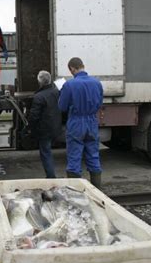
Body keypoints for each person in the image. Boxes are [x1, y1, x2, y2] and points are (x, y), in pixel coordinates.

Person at [58, 57, 104, 188]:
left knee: (74, 157)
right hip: (92, 121)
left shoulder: (69, 85)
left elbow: (62, 107)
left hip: (76, 122)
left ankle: (75, 191)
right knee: (93, 156)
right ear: (82, 66)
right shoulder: (97, 83)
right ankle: (97, 190)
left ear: (72, 69)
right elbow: (100, 103)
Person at [28, 71, 62, 178]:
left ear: (39, 81)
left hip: (44, 130)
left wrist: (30, 129)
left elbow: (34, 116)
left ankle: (51, 176)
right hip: (56, 127)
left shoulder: (38, 96)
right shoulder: (57, 92)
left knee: (46, 152)